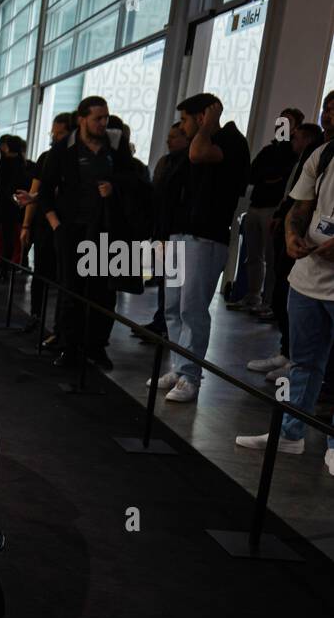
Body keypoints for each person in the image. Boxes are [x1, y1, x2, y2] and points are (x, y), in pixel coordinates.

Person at [236, 94, 334, 476]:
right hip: (307, 278)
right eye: (327, 107)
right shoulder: (321, 155)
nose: (328, 115)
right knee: (303, 363)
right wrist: (293, 235)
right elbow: (300, 205)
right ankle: (291, 432)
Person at [154, 93, 250, 402]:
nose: (181, 128)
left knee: (192, 309)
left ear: (202, 117)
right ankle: (179, 366)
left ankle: (190, 377)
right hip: (181, 234)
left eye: (185, 120)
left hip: (206, 237)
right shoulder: (195, 144)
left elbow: (198, 154)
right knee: (171, 307)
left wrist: (208, 126)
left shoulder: (230, 140)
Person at [36, 96, 141, 370]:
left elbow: (134, 178)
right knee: (71, 291)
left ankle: (96, 347)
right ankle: (69, 347)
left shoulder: (116, 145)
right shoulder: (63, 148)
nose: (103, 123)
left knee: (103, 293)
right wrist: (56, 224)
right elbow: (46, 190)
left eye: (105, 117)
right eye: (97, 118)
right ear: (82, 119)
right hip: (71, 229)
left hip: (106, 230)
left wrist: (113, 186)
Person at [246, 122, 324, 378]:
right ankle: (287, 354)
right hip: (304, 253)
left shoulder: (310, 152)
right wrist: (290, 230)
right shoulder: (319, 154)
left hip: (321, 264)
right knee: (282, 288)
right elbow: (298, 201)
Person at [233, 108, 305, 312]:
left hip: (272, 209)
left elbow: (282, 178)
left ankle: (269, 300)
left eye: (287, 122)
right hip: (255, 206)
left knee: (271, 258)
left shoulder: (293, 155)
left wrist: (271, 177)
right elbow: (253, 175)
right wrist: (269, 177)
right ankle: (252, 294)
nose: (281, 125)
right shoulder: (267, 150)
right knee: (252, 255)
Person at [18, 112, 74, 339]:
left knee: (65, 279)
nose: (56, 137)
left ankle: (61, 330)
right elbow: (34, 192)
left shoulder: (76, 159)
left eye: (61, 133)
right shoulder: (47, 158)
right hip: (45, 225)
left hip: (68, 226)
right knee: (41, 273)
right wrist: (26, 225)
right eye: (55, 133)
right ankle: (36, 316)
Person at [135, 123, 192, 340]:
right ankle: (162, 319)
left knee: (173, 279)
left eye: (175, 137)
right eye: (168, 136)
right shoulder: (166, 162)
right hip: (161, 228)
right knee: (162, 278)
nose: (169, 140)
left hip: (174, 230)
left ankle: (169, 324)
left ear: (186, 139)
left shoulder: (187, 163)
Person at [0, 135, 31, 281]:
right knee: (8, 238)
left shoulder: (4, 163)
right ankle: (4, 269)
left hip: (1, 205)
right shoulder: (22, 164)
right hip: (13, 207)